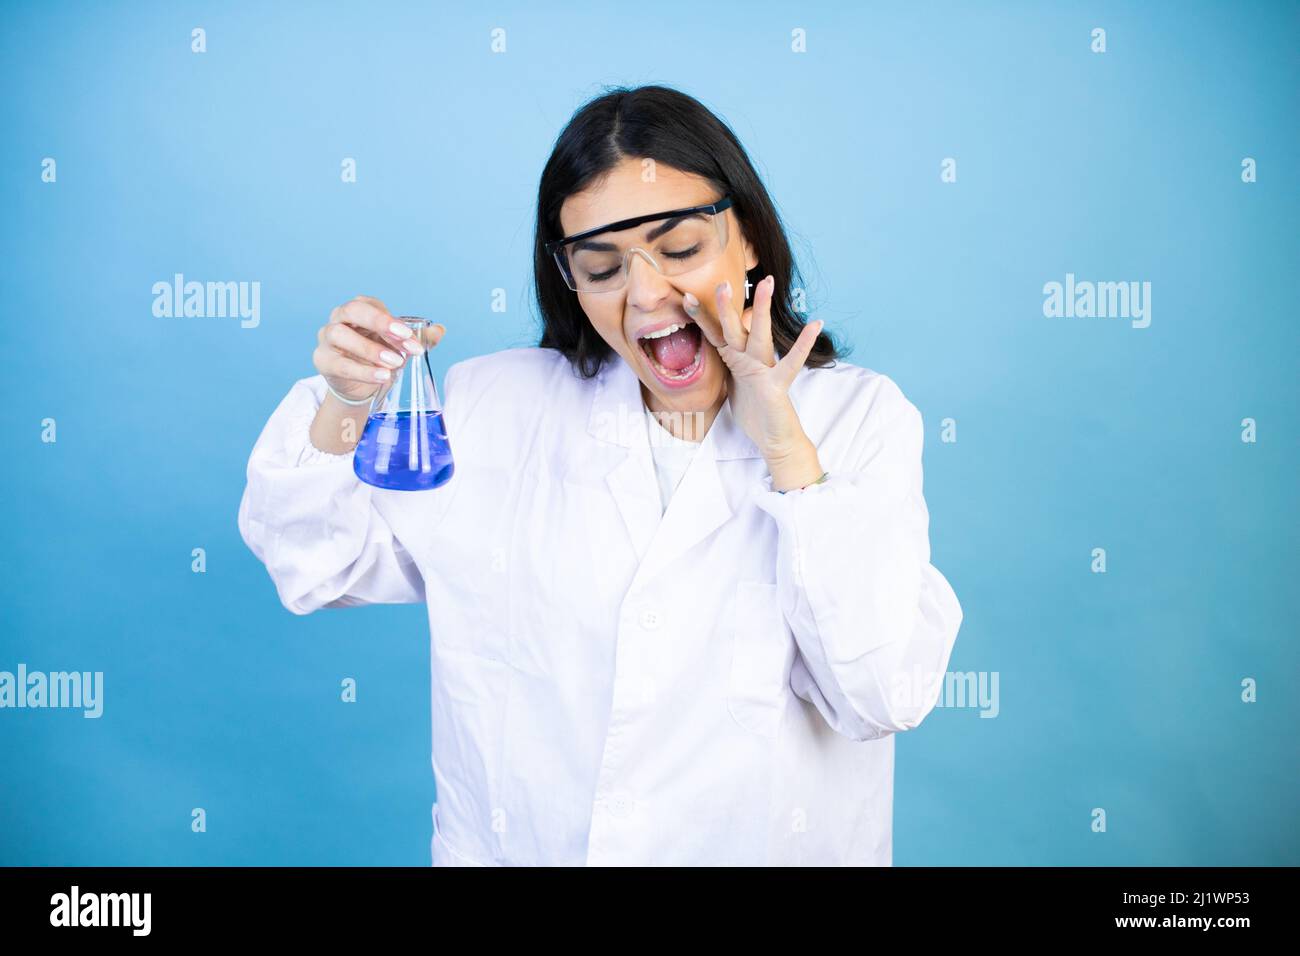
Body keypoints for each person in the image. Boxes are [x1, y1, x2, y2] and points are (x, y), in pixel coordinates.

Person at [237, 84, 963, 866]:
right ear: (572, 282)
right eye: (602, 265)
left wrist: (786, 447)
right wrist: (348, 400)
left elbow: (883, 693)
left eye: (681, 249)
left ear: (748, 237)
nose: (647, 293)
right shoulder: (495, 410)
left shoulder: (856, 422)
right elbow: (314, 563)